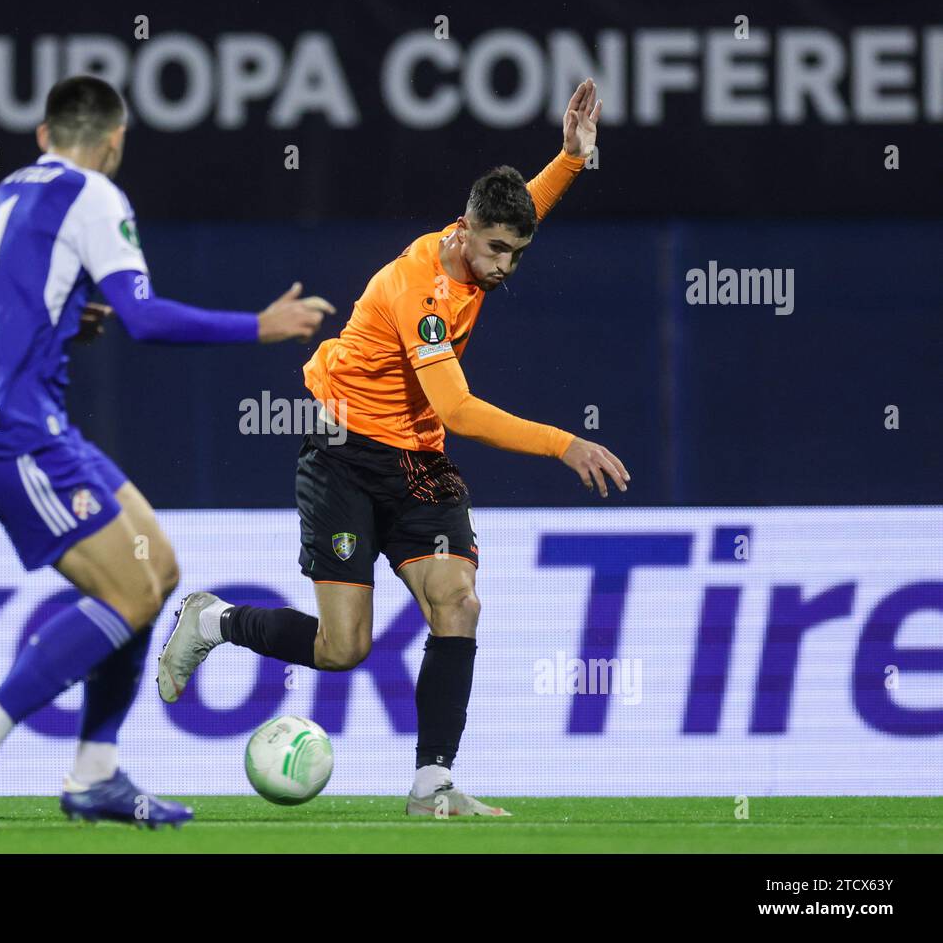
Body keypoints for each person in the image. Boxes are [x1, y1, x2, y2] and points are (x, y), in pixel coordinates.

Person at [158, 79, 628, 817]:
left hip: (418, 463)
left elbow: (515, 212)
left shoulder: (475, 240)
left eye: (516, 253)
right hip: (344, 452)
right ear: (464, 234)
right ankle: (213, 621)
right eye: (496, 250)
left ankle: (431, 784)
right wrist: (563, 444)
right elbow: (460, 409)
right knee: (345, 650)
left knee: (458, 602)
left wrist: (569, 161)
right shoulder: (421, 290)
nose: (504, 265)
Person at [0, 75, 334, 830]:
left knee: (159, 570)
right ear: (113, 140)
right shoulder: (94, 194)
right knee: (131, 595)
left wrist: (54, 320)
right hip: (13, 429)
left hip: (20, 424)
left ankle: (94, 775)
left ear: (44, 134)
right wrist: (258, 327)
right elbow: (141, 317)